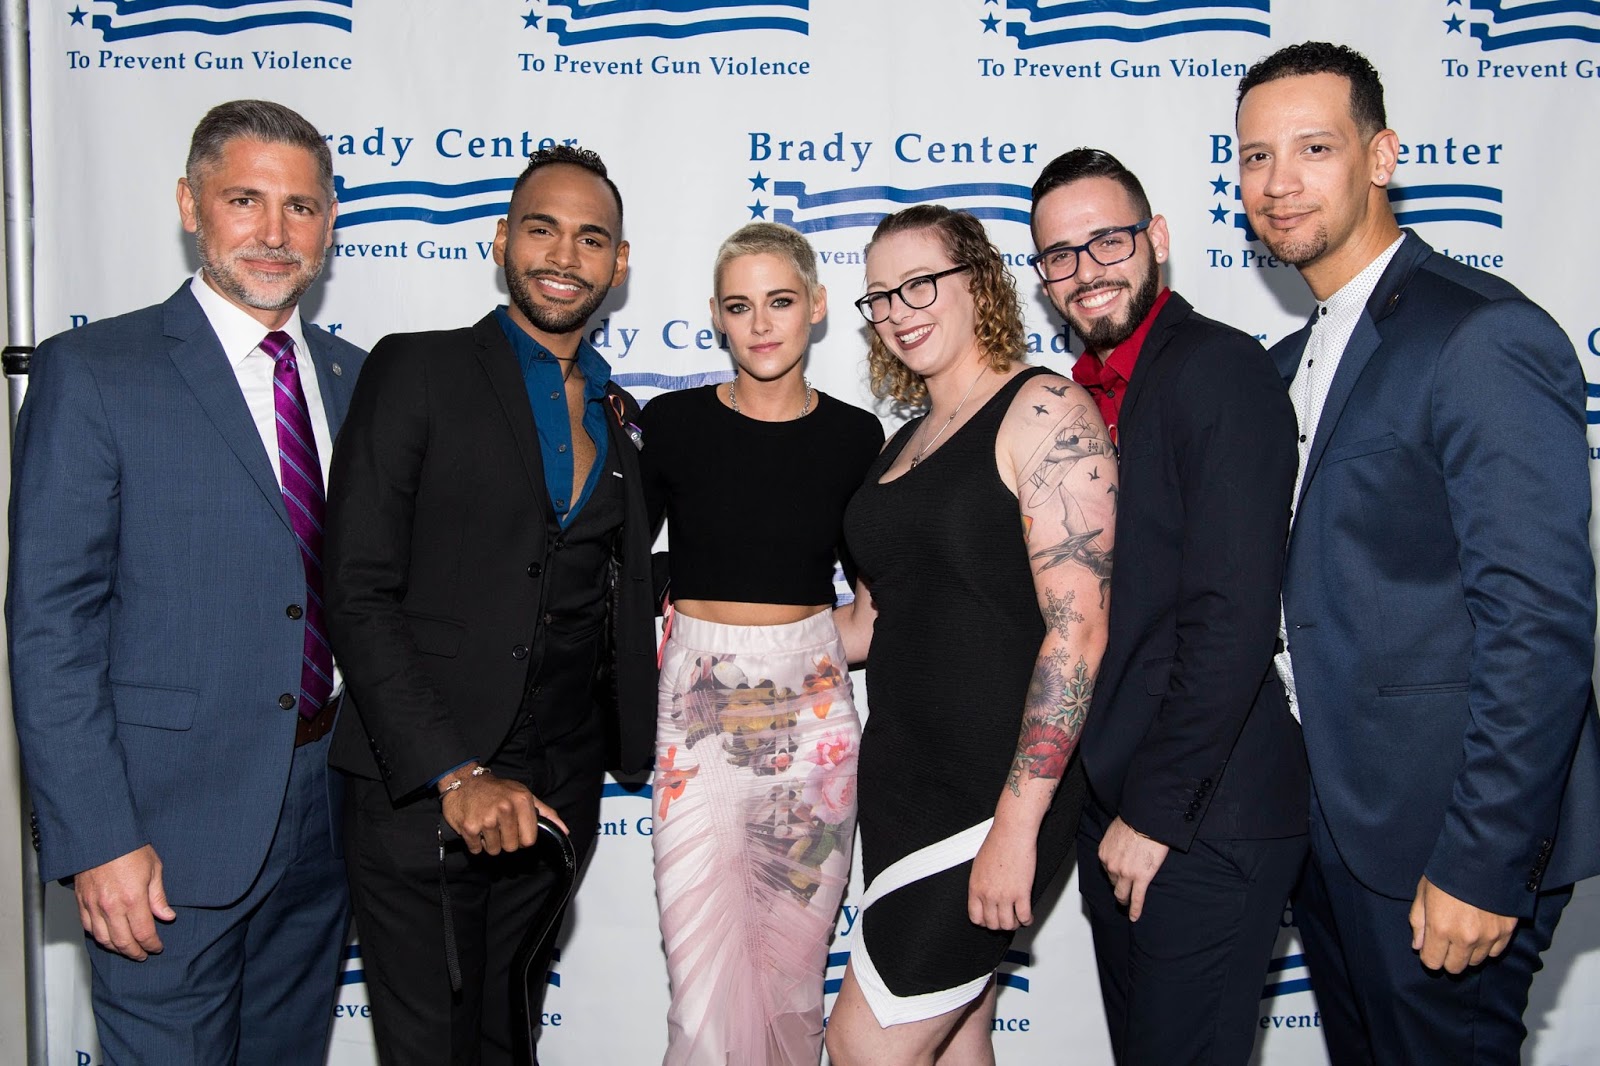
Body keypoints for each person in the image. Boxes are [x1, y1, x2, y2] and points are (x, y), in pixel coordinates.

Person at [1235, 41, 1600, 1064]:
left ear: (1381, 155)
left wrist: (1485, 863)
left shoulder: (1480, 335)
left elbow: (1536, 624)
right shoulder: (1284, 360)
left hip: (1445, 844)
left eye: (1313, 147)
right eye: (1255, 158)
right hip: (1333, 834)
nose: (1280, 182)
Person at [6, 99, 363, 1064]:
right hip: (160, 836)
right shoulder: (95, 371)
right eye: (245, 200)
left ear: (330, 223)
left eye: (302, 207)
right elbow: (50, 627)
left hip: (325, 817)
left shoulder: (355, 380)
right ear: (189, 205)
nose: (275, 233)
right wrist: (96, 839)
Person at [323, 144, 657, 1065]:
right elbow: (357, 588)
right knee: (432, 1048)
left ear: (619, 264)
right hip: (424, 781)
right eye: (542, 229)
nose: (564, 255)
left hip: (557, 789)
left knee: (509, 1035)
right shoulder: (416, 370)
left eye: (593, 239)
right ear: (502, 239)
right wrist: (455, 772)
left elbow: (593, 579)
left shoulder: (619, 416)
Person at [1028, 147, 1306, 1064]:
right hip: (1122, 807)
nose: (1085, 270)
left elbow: (1230, 616)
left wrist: (1154, 816)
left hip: (1203, 812)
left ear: (1158, 240)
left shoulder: (1218, 371)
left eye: (1106, 241)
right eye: (1059, 255)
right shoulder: (1074, 401)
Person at [826, 205, 1115, 1066]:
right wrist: (721, 626)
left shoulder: (1044, 410)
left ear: (979, 282)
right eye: (879, 296)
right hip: (902, 786)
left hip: (996, 793)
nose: (899, 309)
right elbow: (868, 626)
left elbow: (1079, 635)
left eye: (921, 283)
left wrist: (1016, 827)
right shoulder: (899, 445)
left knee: (865, 1048)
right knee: (957, 1043)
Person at [639, 221, 884, 1065]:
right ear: (716, 317)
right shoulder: (669, 425)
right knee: (702, 976)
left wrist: (812, 650)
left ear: (817, 306)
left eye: (780, 301)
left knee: (788, 972)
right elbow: (618, 572)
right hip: (696, 718)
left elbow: (873, 604)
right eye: (740, 307)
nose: (762, 323)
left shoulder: (857, 438)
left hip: (812, 726)